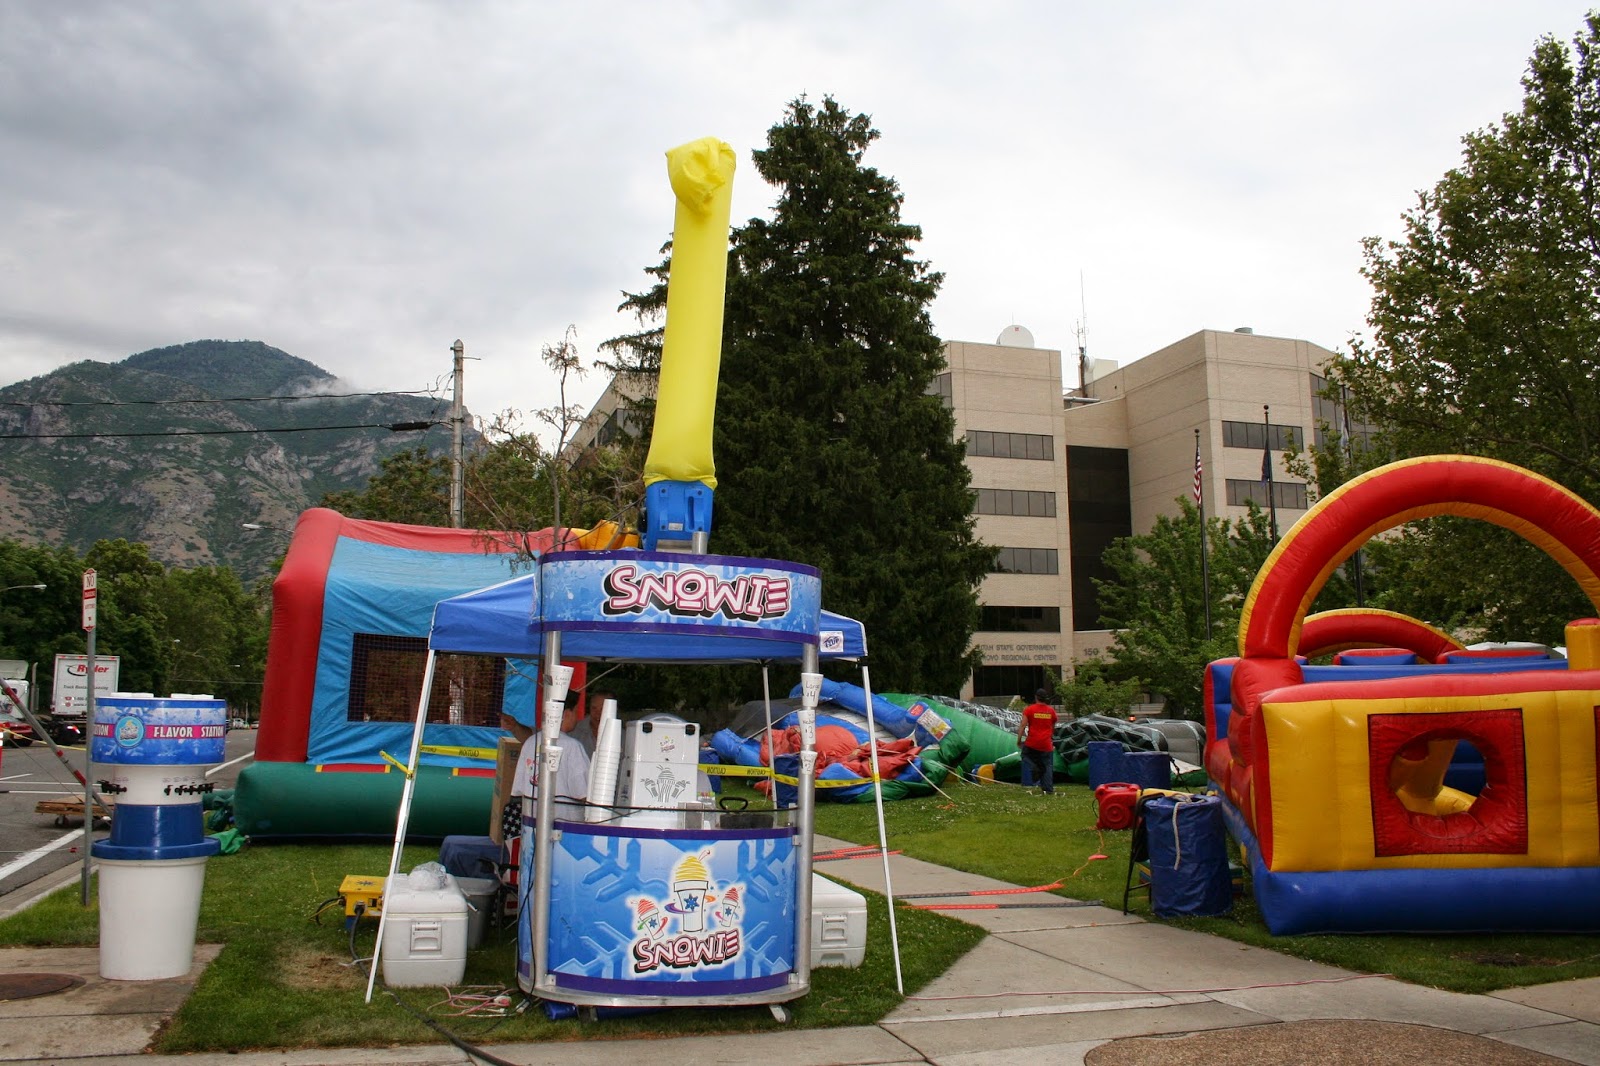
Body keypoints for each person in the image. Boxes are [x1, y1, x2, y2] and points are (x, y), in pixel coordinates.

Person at [1017, 688, 1058, 794]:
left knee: (1025, 755)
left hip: (1032, 742)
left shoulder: (1029, 709)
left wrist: (1019, 740)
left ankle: (1035, 768)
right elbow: (1053, 727)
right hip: (1046, 743)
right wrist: (1050, 738)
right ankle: (1048, 789)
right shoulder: (1051, 711)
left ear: (1036, 697)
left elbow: (1023, 725)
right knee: (1047, 765)